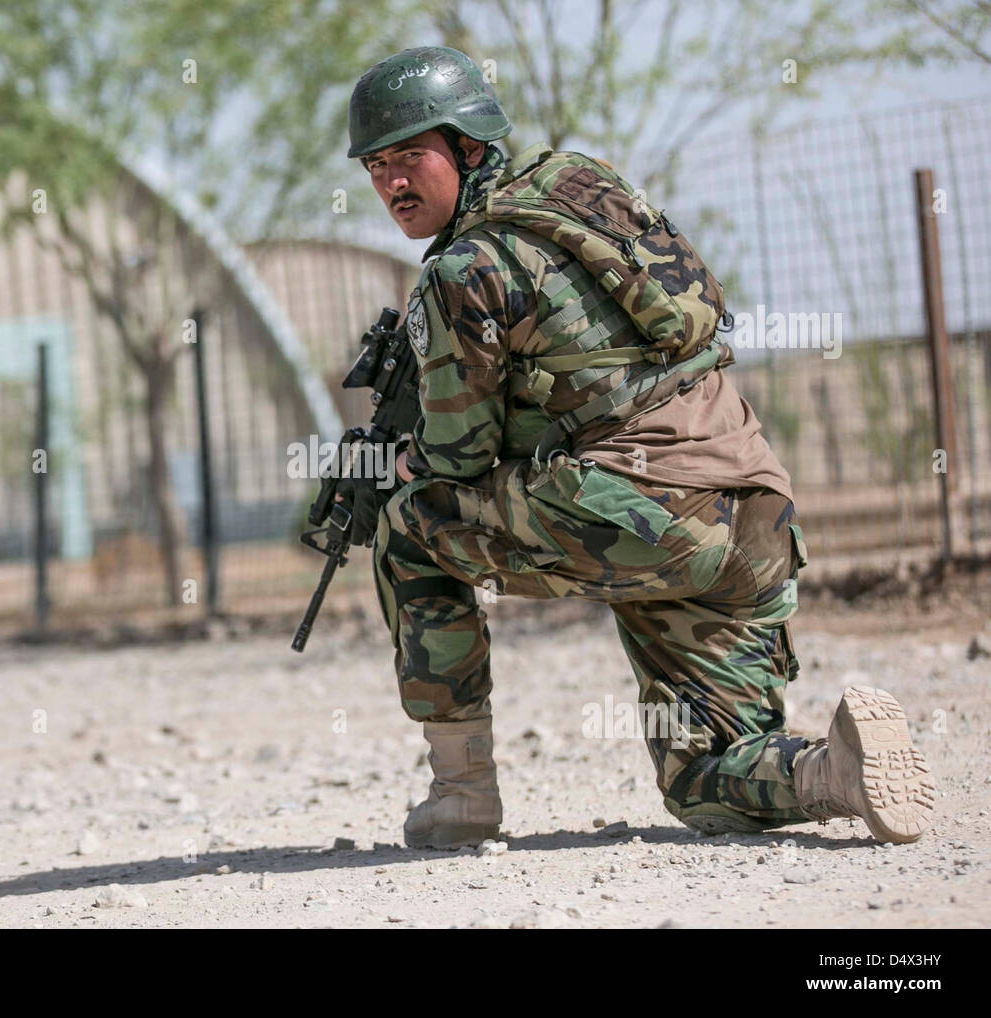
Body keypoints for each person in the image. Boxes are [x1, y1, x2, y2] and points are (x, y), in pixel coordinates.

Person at [338, 45, 935, 850]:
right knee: (703, 781)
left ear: (470, 145)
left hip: (641, 514)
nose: (392, 185)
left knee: (410, 523)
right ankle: (837, 771)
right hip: (752, 512)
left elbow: (457, 460)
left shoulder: (463, 270)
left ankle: (462, 796)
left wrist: (394, 466)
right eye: (376, 167)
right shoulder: (585, 191)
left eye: (410, 157)